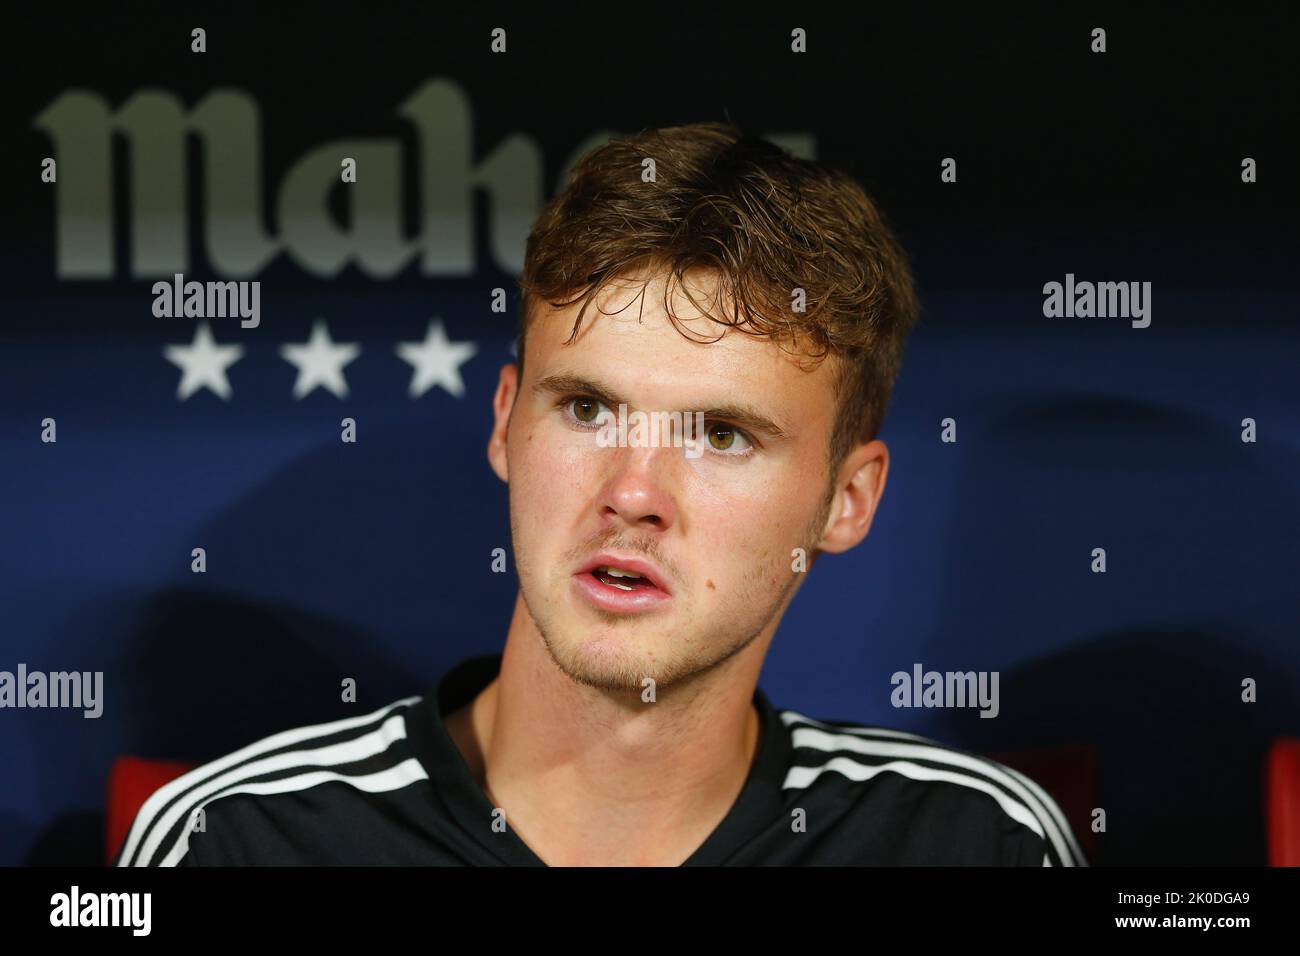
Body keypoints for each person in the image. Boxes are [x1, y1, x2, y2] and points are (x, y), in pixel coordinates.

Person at [116, 122, 1086, 867]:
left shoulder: (973, 839)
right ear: (505, 423)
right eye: (586, 407)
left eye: (721, 433)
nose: (632, 492)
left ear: (847, 496)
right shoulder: (232, 839)